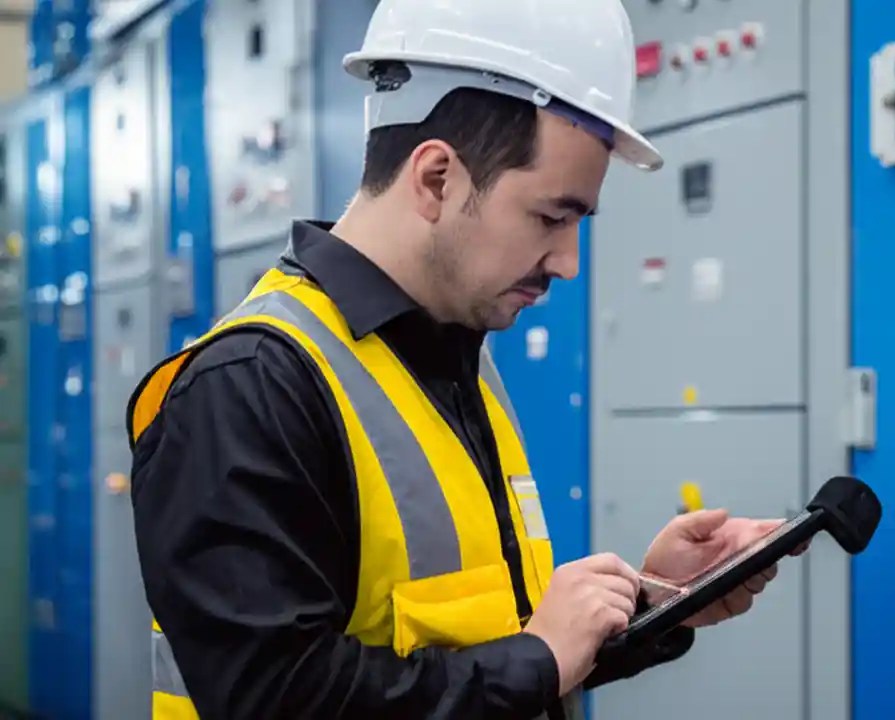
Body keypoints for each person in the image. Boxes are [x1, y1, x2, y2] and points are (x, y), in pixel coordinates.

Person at [126, 1, 800, 718]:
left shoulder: (453, 357)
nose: (569, 262)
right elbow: (277, 697)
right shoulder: (250, 388)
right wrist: (537, 659)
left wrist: (652, 602)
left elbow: (486, 643)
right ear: (437, 177)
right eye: (551, 216)